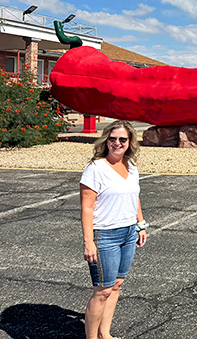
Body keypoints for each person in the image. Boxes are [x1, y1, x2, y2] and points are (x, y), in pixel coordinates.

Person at [80, 120, 147, 339]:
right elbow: (87, 207)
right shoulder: (96, 168)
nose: (117, 143)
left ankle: (104, 334)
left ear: (129, 142)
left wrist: (140, 224)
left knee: (116, 286)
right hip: (105, 235)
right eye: (112, 139)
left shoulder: (131, 166)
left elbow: (134, 196)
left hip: (128, 233)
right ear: (106, 140)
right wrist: (89, 242)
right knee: (102, 291)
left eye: (122, 139)